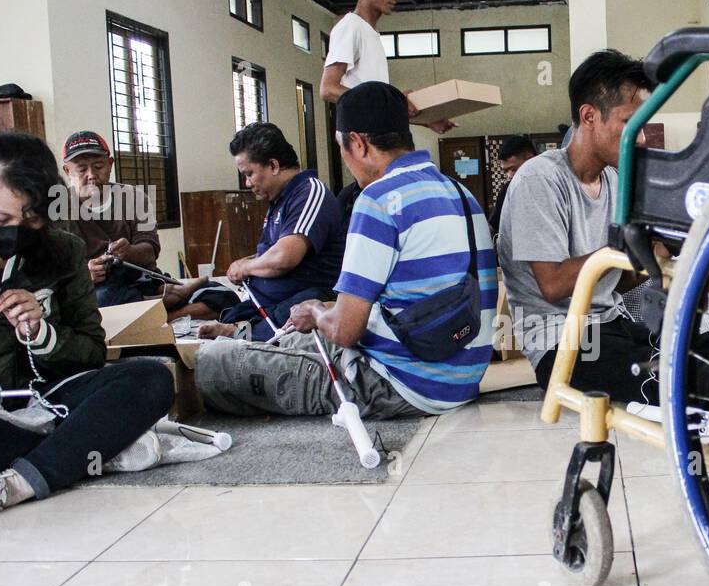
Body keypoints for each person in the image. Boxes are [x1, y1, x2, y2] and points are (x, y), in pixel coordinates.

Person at [498, 50, 709, 414]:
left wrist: (656, 251)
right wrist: (620, 246)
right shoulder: (540, 179)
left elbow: (616, 283)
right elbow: (554, 286)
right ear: (589, 116)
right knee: (694, 375)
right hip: (565, 343)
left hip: (614, 324)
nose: (640, 138)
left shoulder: (613, 180)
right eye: (630, 122)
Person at [0, 132, 174, 527]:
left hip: (38, 400)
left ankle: (15, 484)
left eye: (32, 218)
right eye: (0, 219)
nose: (15, 232)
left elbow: (92, 352)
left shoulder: (62, 250)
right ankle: (90, 450)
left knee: (151, 378)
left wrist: (43, 334)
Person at [196, 82, 497, 419]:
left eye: (342, 147)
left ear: (358, 143)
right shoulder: (460, 193)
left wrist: (315, 312)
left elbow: (344, 331)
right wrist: (324, 310)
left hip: (396, 382)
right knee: (290, 342)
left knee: (213, 364)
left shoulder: (377, 199)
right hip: (463, 378)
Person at [161, 122, 344, 341]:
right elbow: (269, 252)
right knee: (221, 301)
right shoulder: (279, 201)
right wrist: (244, 264)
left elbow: (285, 257)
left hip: (301, 299)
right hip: (265, 301)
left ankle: (245, 332)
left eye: (249, 174)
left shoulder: (310, 193)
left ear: (273, 165)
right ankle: (239, 326)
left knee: (304, 304)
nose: (247, 183)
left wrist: (247, 267)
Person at [319, 0, 457, 135]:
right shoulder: (351, 27)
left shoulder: (371, 33)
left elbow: (376, 103)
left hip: (378, 137)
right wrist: (394, 101)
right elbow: (328, 89)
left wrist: (425, 120)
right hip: (364, 143)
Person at [56, 130, 162, 307]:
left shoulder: (133, 197)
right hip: (91, 290)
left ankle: (155, 301)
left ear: (110, 164)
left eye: (98, 166)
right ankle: (160, 303)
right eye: (81, 169)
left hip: (137, 279)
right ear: (67, 170)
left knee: (214, 293)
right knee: (101, 300)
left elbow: (151, 250)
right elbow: (52, 265)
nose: (91, 175)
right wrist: (85, 274)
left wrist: (129, 253)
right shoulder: (58, 207)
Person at [487, 135, 536, 236]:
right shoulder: (507, 190)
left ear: (531, 160)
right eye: (506, 171)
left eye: (514, 169)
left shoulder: (552, 185)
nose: (509, 175)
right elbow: (495, 225)